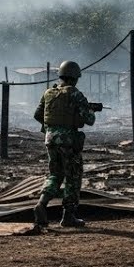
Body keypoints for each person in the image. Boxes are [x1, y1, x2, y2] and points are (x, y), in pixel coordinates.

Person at [32, 60, 100, 228]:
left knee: (55, 175)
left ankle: (41, 204)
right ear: (75, 78)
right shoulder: (75, 93)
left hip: (50, 139)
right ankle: (68, 215)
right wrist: (89, 108)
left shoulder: (48, 93)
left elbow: (38, 115)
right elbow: (89, 119)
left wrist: (53, 128)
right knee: (73, 176)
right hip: (68, 141)